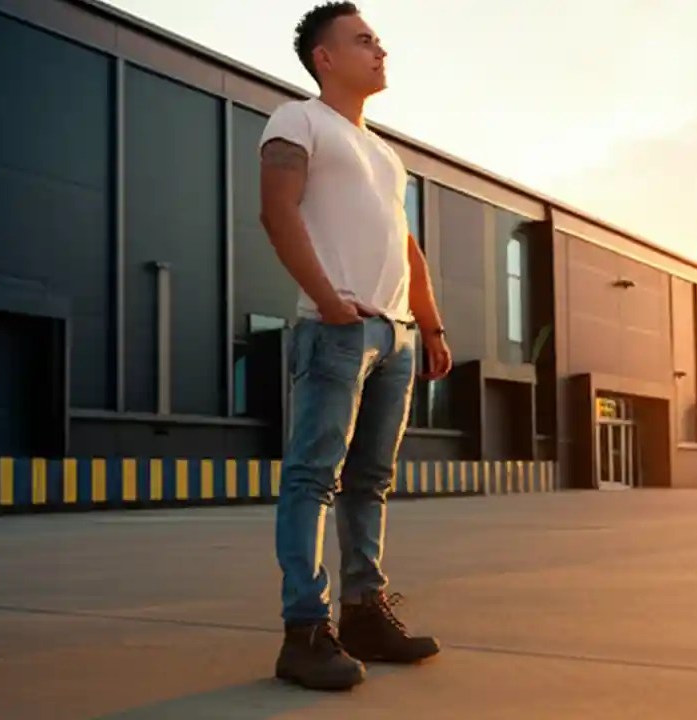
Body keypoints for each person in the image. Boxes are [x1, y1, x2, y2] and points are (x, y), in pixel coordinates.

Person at [258, 1, 453, 691]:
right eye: (364, 40)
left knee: (371, 482)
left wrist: (426, 325)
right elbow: (276, 210)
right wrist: (331, 300)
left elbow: (405, 245)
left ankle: (365, 611)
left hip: (394, 335)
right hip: (336, 329)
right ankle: (304, 631)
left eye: (380, 41)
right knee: (314, 477)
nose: (380, 51)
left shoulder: (384, 153)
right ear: (325, 58)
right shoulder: (298, 120)